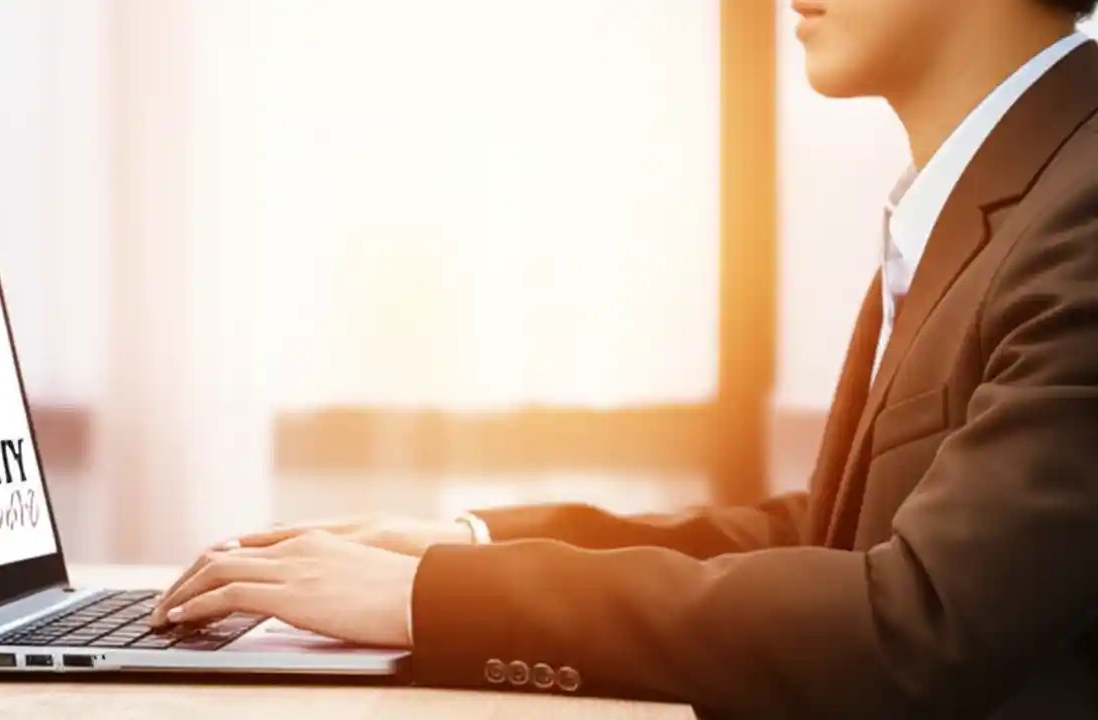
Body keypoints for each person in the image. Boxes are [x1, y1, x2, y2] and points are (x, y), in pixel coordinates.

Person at [150, 0, 1098, 715]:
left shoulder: (1080, 205)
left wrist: (433, 599)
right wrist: (470, 548)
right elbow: (835, 537)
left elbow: (923, 616)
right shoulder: (1006, 188)